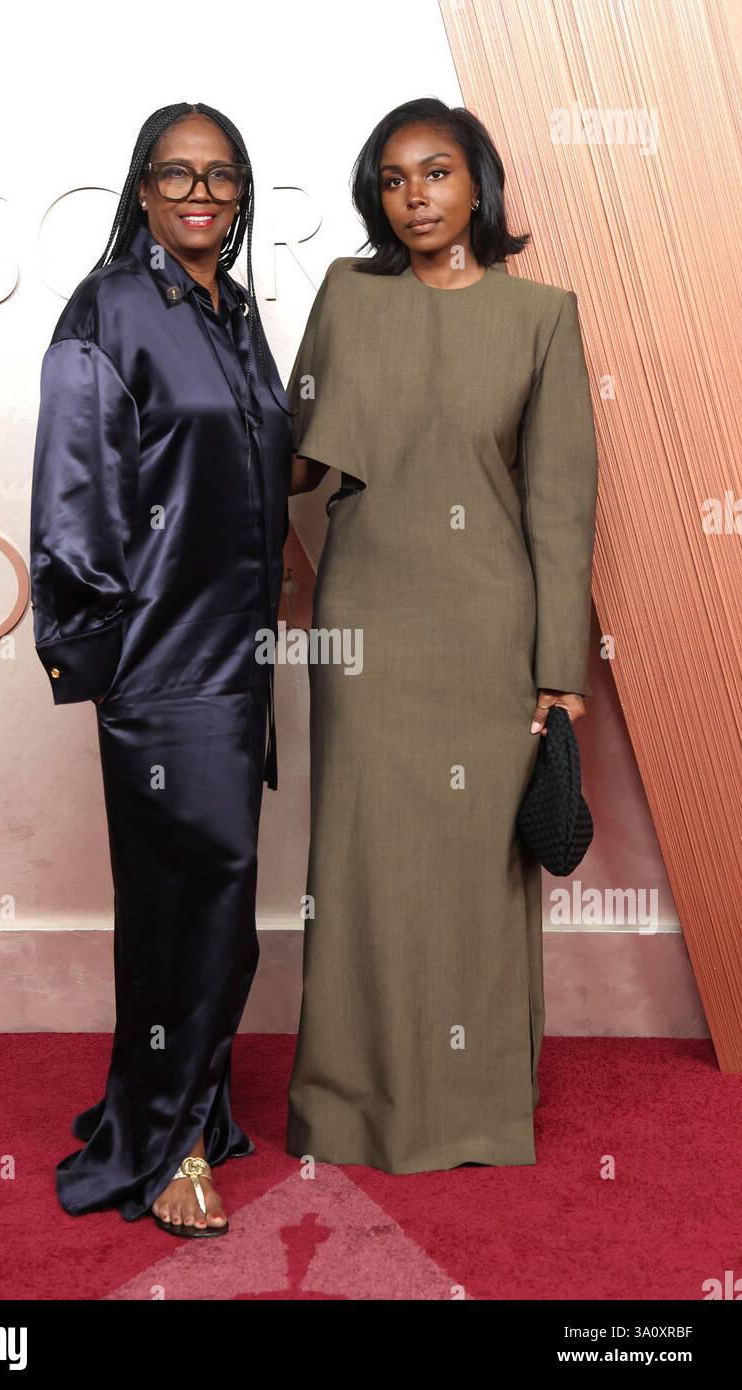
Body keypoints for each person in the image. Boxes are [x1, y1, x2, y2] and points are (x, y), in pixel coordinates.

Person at [286, 98, 598, 1173]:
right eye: (391, 179)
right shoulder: (344, 294)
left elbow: (559, 504)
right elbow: (293, 460)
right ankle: (349, 1106)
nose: (413, 196)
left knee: (472, 869)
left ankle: (471, 1107)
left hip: (485, 627)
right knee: (364, 860)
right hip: (365, 619)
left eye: (435, 173)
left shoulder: (540, 315)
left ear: (479, 186)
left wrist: (560, 674)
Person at [29, 102, 292, 1234]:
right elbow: (72, 492)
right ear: (140, 189)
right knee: (197, 901)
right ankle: (168, 1138)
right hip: (161, 666)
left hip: (238, 661)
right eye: (174, 173)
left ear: (240, 196)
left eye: (219, 175)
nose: (198, 190)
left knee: (206, 904)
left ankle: (184, 1102)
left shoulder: (234, 312)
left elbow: (256, 461)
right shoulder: (109, 310)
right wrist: (104, 660)